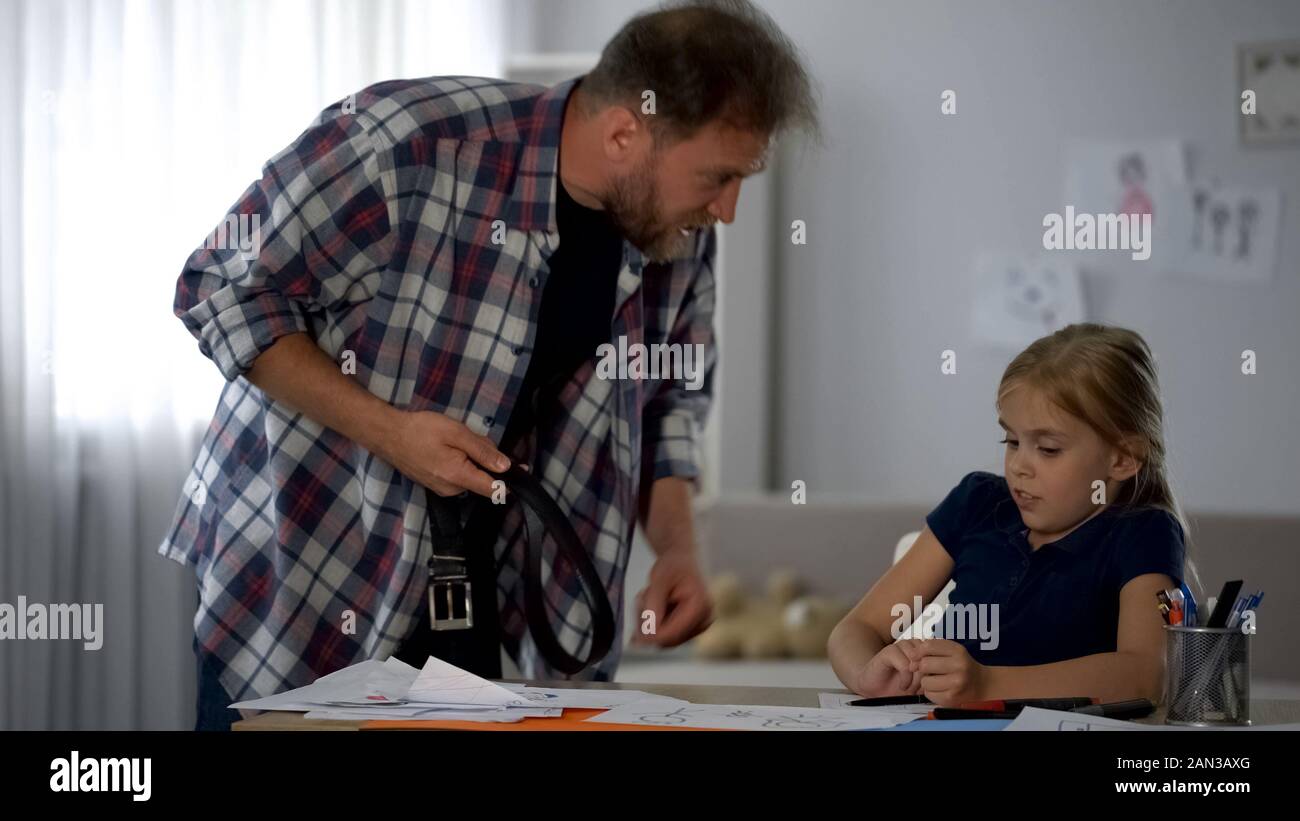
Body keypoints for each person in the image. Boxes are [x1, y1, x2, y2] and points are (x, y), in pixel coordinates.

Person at [160, 0, 820, 730]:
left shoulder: (673, 231)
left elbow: (670, 403)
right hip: (312, 564)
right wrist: (391, 432)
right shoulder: (404, 141)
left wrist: (679, 549)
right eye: (716, 177)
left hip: (474, 598)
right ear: (626, 132)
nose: (726, 210)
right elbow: (220, 287)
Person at [829, 323, 1187, 706]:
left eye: (1048, 449)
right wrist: (867, 675)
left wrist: (985, 685)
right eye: (1012, 441)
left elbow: (1147, 674)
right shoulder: (977, 503)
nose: (1018, 466)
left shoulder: (1145, 533)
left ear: (1123, 458)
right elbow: (856, 629)